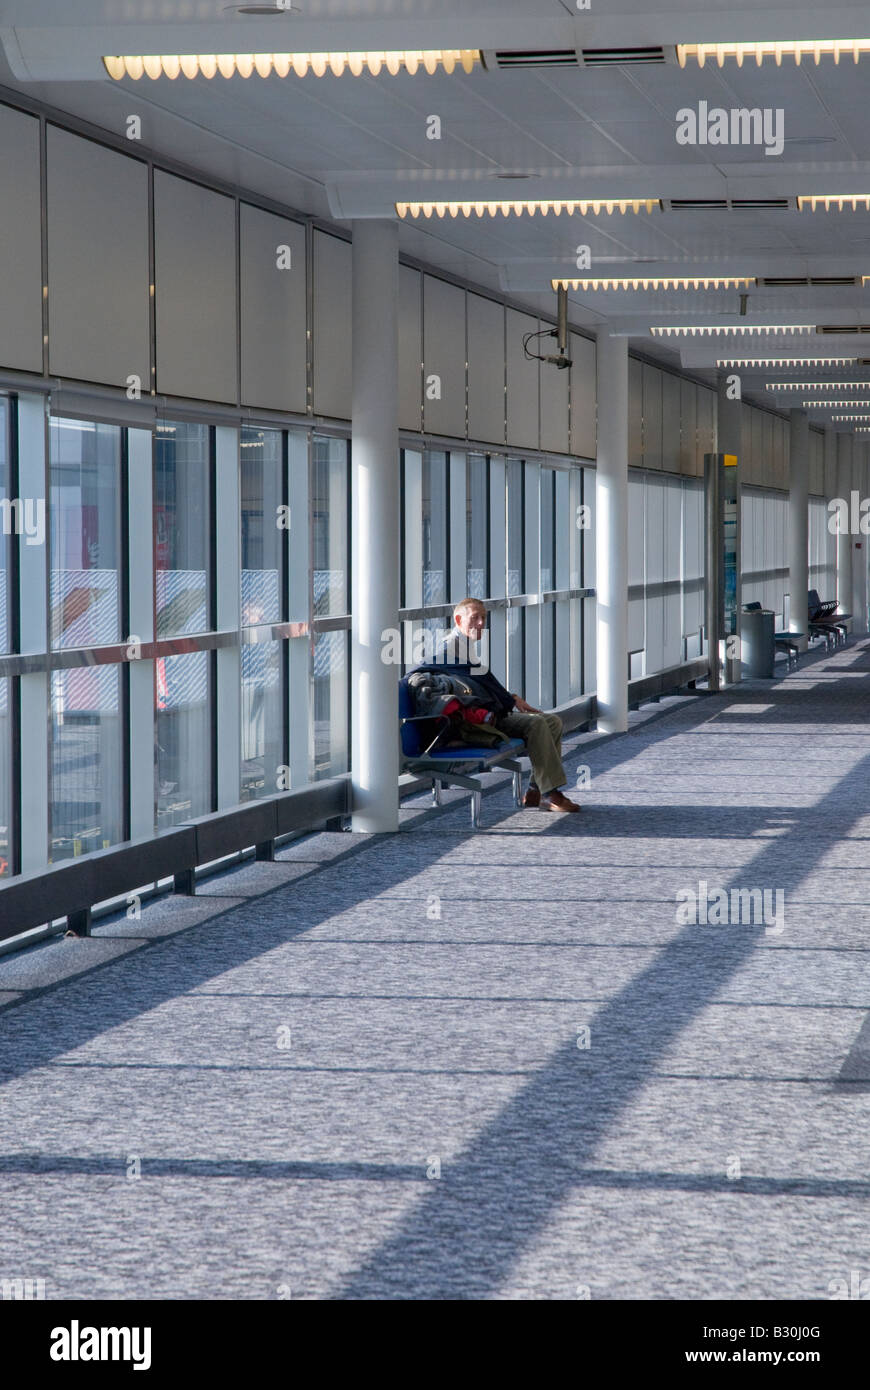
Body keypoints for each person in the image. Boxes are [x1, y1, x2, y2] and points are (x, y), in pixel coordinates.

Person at [436, 597, 581, 813]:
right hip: (474, 723)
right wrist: (509, 701)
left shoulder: (464, 648)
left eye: (483, 618)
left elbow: (481, 687)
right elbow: (467, 696)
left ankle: (535, 790)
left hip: (486, 714)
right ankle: (550, 793)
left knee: (552, 721)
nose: (480, 624)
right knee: (537, 724)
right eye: (474, 618)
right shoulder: (450, 651)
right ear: (458, 619)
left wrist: (511, 698)